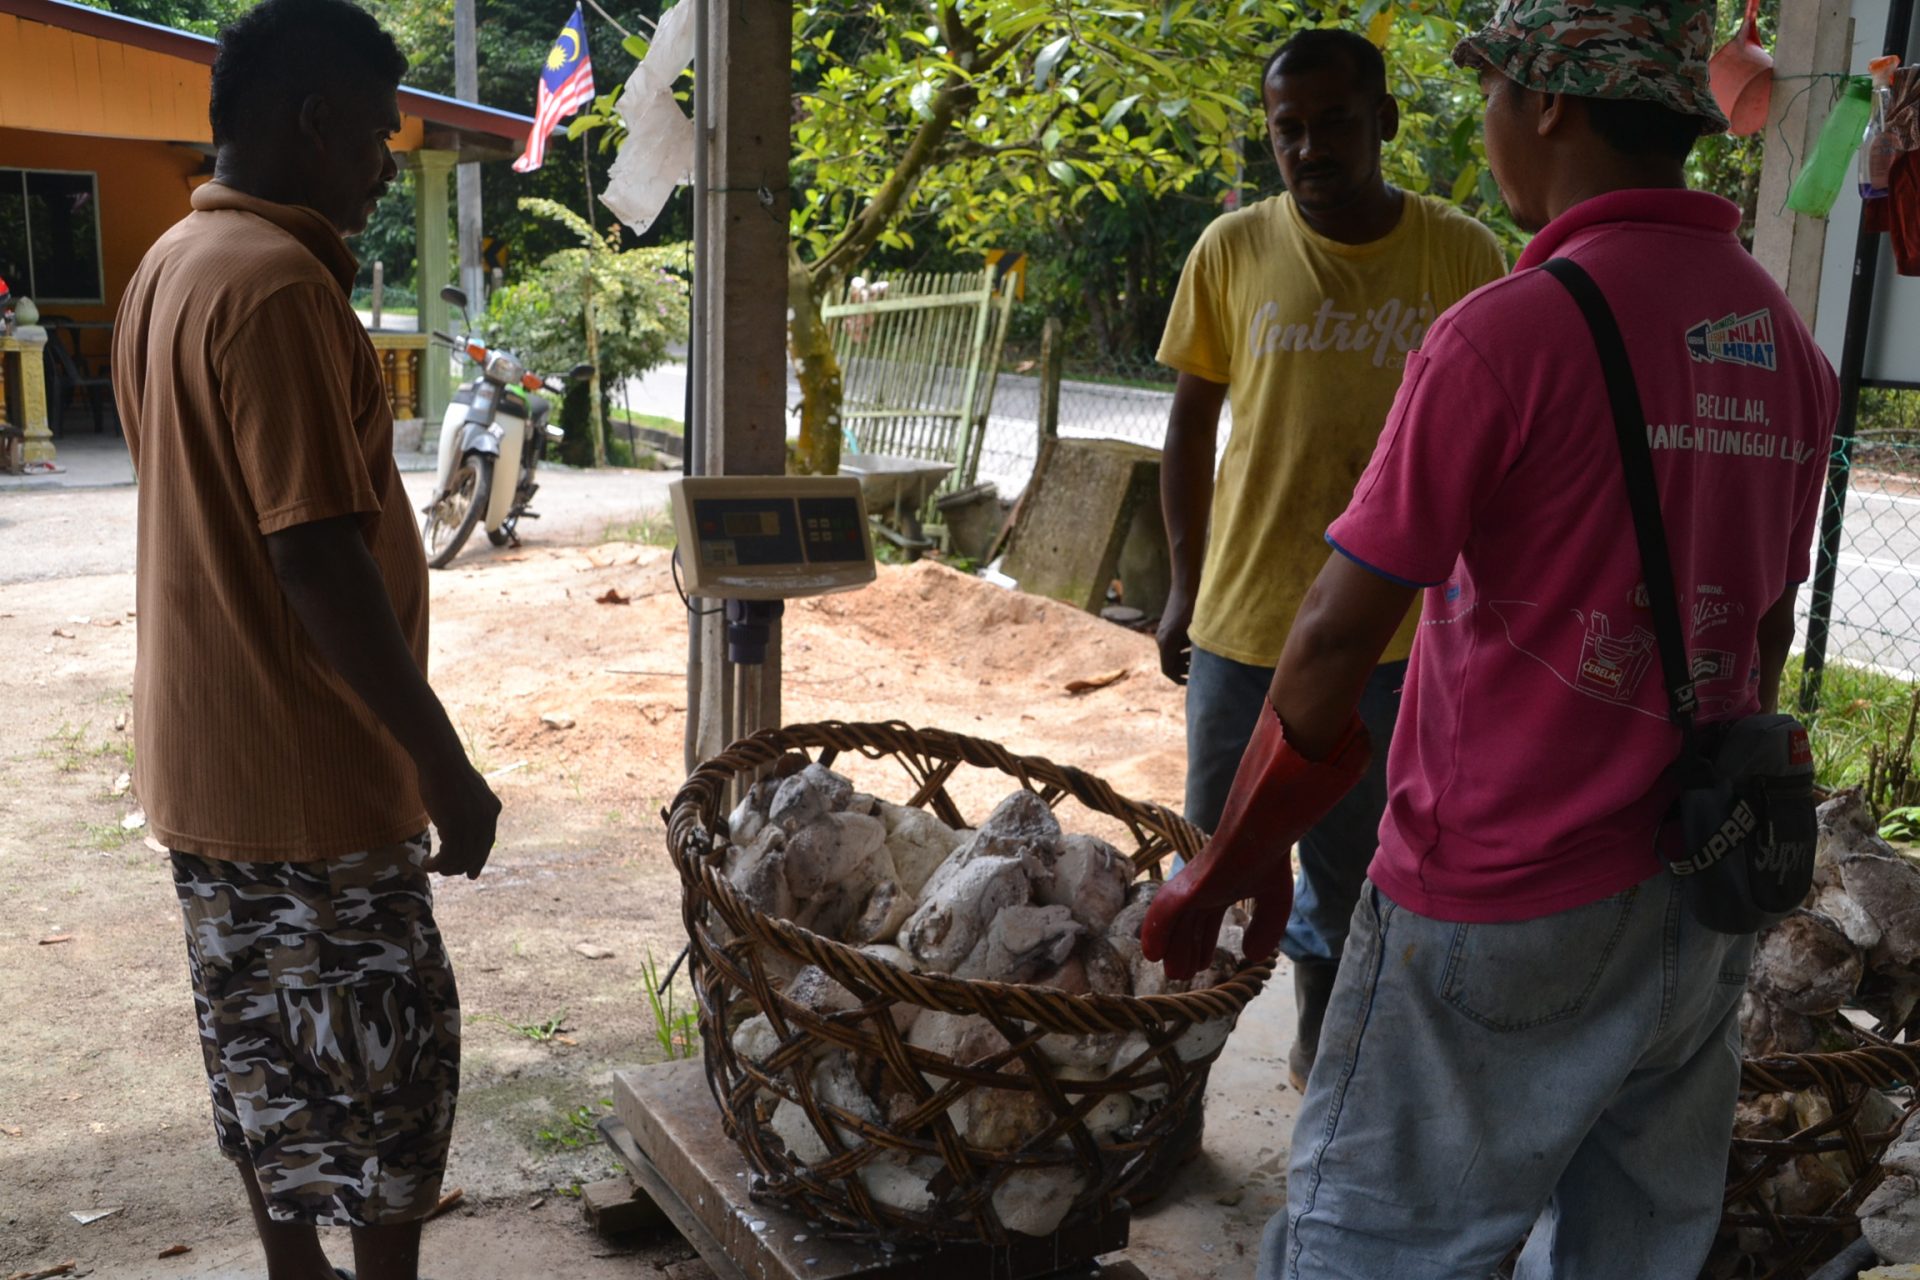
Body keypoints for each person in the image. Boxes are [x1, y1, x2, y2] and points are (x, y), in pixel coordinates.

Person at [1143, 2, 1840, 1276]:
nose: (1491, 127)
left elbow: (1335, 635)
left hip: (1501, 897)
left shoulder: (1507, 329)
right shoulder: (1785, 346)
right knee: (1623, 1251)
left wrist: (1234, 859)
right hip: (1700, 893)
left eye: (1493, 98)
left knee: (1378, 1243)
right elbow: (1768, 630)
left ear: (1550, 103)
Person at [111, 3, 500, 1278]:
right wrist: (442, 766)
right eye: (379, 134)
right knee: (389, 1061)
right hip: (310, 781)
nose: (387, 164)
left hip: (212, 767)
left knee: (263, 1048)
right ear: (317, 121)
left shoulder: (173, 262)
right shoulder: (277, 287)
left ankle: (295, 1267)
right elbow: (314, 554)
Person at [1154, 27, 1505, 1090]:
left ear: (1386, 121)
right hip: (1243, 629)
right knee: (1213, 862)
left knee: (1360, 875)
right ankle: (1169, 1087)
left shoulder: (1462, 255)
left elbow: (1500, 443)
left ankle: (1324, 1061)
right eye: (1287, 128)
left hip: (1394, 643)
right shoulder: (1231, 250)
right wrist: (1182, 581)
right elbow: (1188, 423)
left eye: (1335, 122)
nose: (1310, 147)